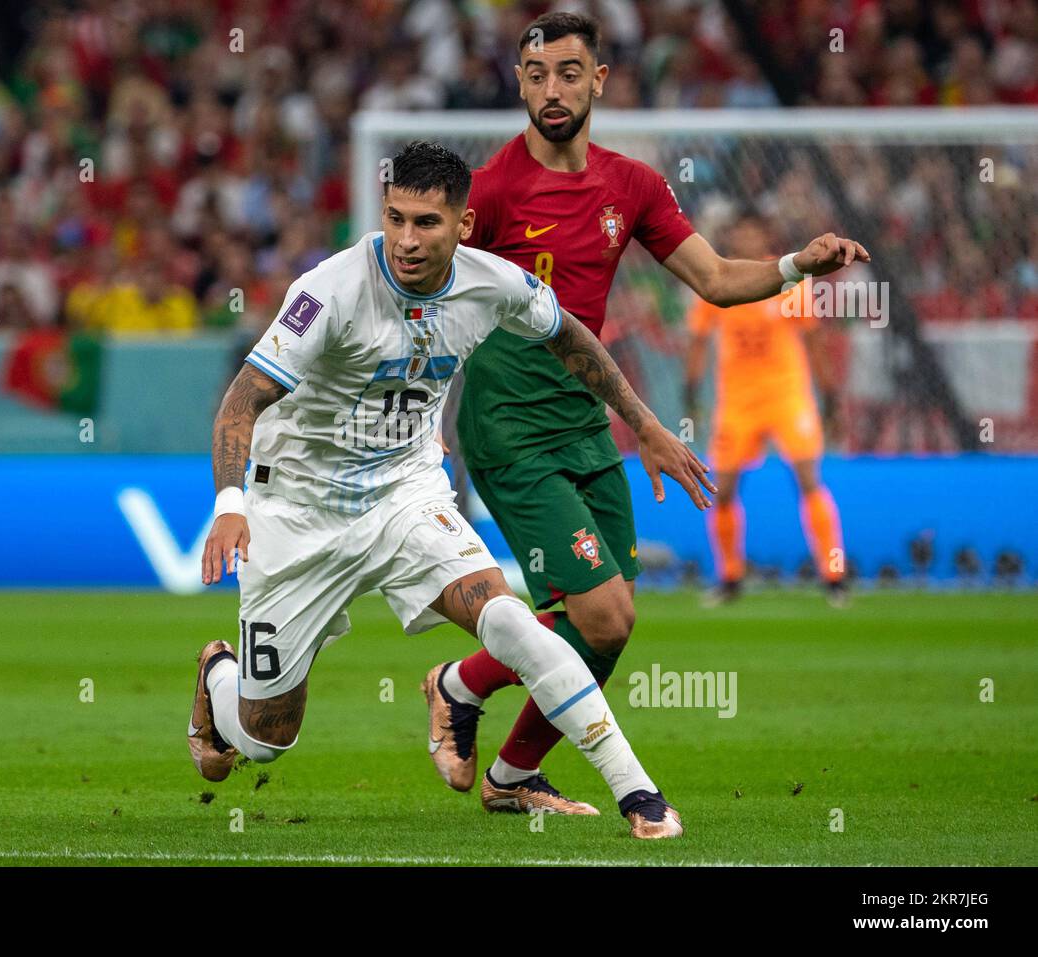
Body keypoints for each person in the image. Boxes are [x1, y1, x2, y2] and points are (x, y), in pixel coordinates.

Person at [189, 141, 714, 839]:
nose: (407, 240)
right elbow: (240, 403)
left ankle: (638, 791)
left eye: (427, 223)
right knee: (263, 738)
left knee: (510, 619)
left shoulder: (494, 283)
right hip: (297, 509)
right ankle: (218, 675)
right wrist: (231, 506)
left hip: (405, 493)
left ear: (463, 225)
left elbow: (569, 336)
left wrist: (642, 423)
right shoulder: (330, 291)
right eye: (396, 219)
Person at [422, 12, 868, 826]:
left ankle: (503, 754)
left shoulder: (631, 185)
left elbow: (720, 279)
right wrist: (430, 427)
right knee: (600, 611)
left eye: (567, 72)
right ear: (518, 84)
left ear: (599, 80)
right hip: (509, 425)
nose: (550, 89)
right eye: (535, 74)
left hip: (586, 420)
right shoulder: (487, 192)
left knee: (608, 627)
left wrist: (799, 263)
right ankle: (470, 700)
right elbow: (424, 303)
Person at [685, 212, 847, 607]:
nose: (746, 240)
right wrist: (691, 391)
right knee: (721, 488)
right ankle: (730, 578)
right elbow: (698, 341)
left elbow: (813, 341)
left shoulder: (790, 279)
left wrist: (829, 397)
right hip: (737, 401)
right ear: (732, 238)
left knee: (808, 479)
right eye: (740, 233)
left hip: (787, 395)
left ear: (765, 236)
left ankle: (834, 577)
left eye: (753, 233)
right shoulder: (717, 279)